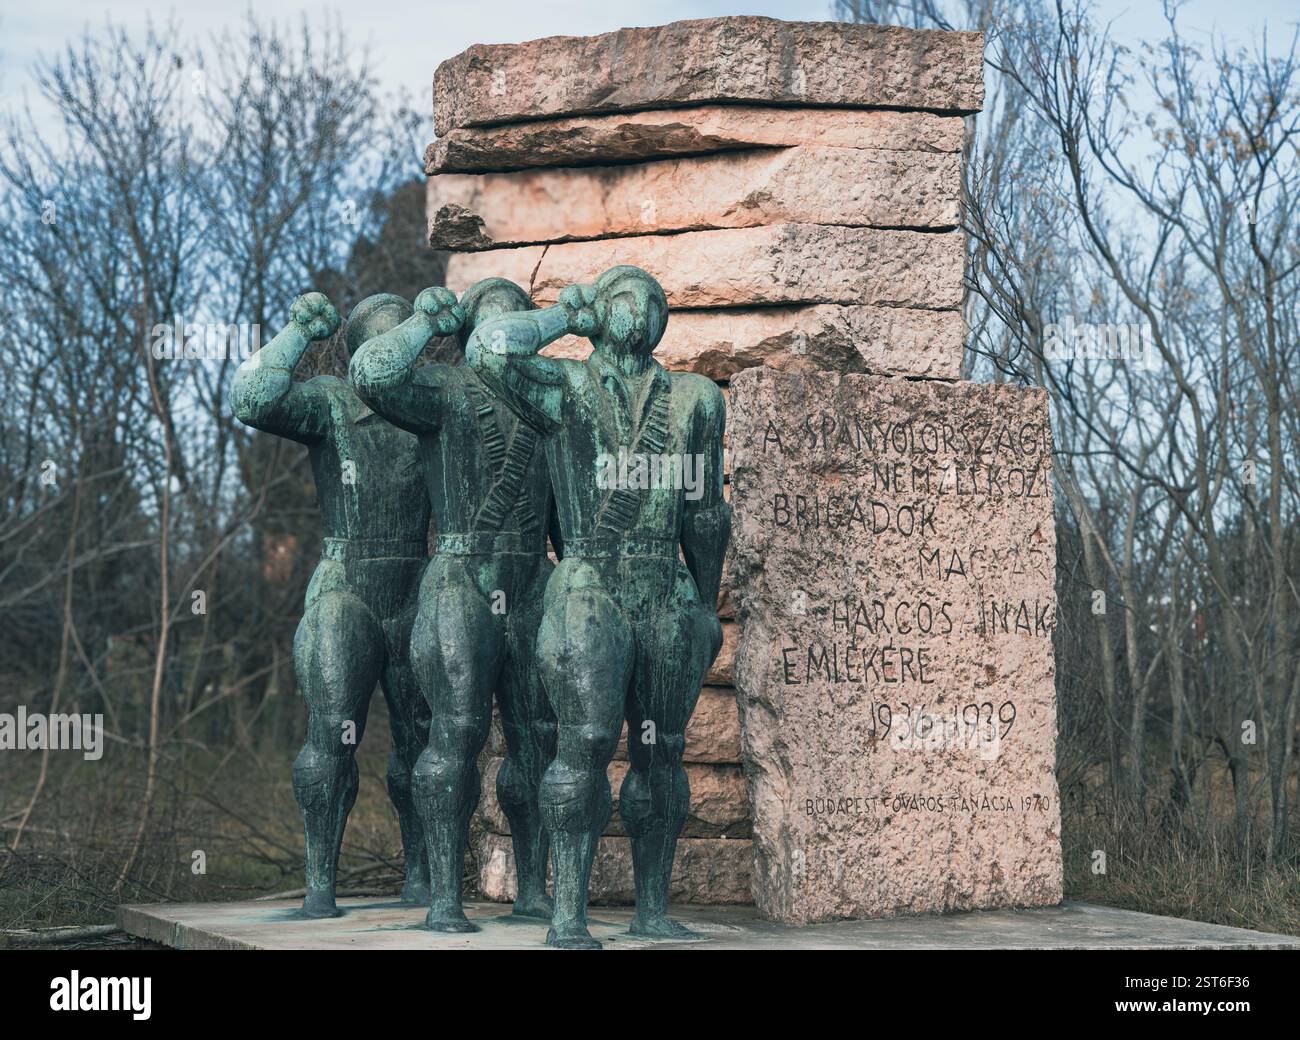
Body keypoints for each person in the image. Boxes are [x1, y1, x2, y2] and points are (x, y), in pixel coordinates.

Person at [466, 266, 730, 949]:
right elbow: (487, 351)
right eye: (623, 298)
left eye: (652, 301)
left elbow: (705, 515)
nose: (638, 311)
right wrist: (560, 319)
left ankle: (650, 910)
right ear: (601, 310)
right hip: (587, 579)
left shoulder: (697, 398)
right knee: (582, 745)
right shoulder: (566, 386)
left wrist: (706, 600)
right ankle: (567, 917)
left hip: (664, 585)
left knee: (661, 753)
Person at [349, 280, 558, 931]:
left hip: (532, 583)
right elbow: (372, 374)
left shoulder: (552, 404)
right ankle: (443, 899)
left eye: (512, 323)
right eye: (488, 325)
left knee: (538, 747)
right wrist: (422, 325)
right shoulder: (444, 391)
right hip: (461, 579)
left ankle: (535, 894)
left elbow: (571, 526)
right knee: (455, 735)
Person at [229, 291, 431, 919]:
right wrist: (296, 331)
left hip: (418, 584)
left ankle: (425, 878)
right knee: (330, 739)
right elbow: (252, 399)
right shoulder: (332, 402)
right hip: (347, 584)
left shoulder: (432, 406)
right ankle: (321, 880)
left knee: (421, 743)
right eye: (381, 338)